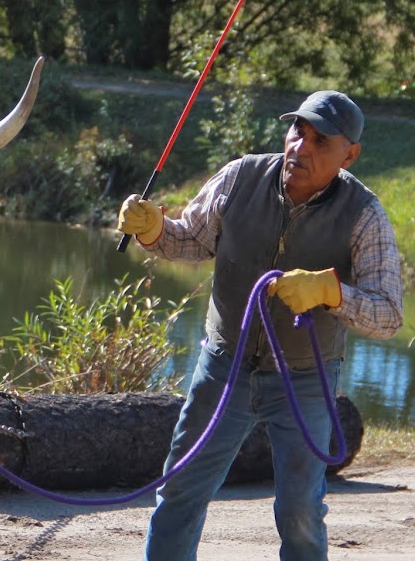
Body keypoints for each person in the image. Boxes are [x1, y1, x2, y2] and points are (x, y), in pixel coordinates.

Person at [118, 90, 403, 560]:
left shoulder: (365, 214)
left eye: (320, 141)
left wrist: (332, 293)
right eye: (298, 131)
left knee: (300, 511)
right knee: (180, 491)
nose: (300, 147)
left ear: (349, 153)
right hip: (223, 365)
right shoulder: (241, 176)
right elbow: (188, 242)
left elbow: (389, 314)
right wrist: (151, 230)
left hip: (306, 378)